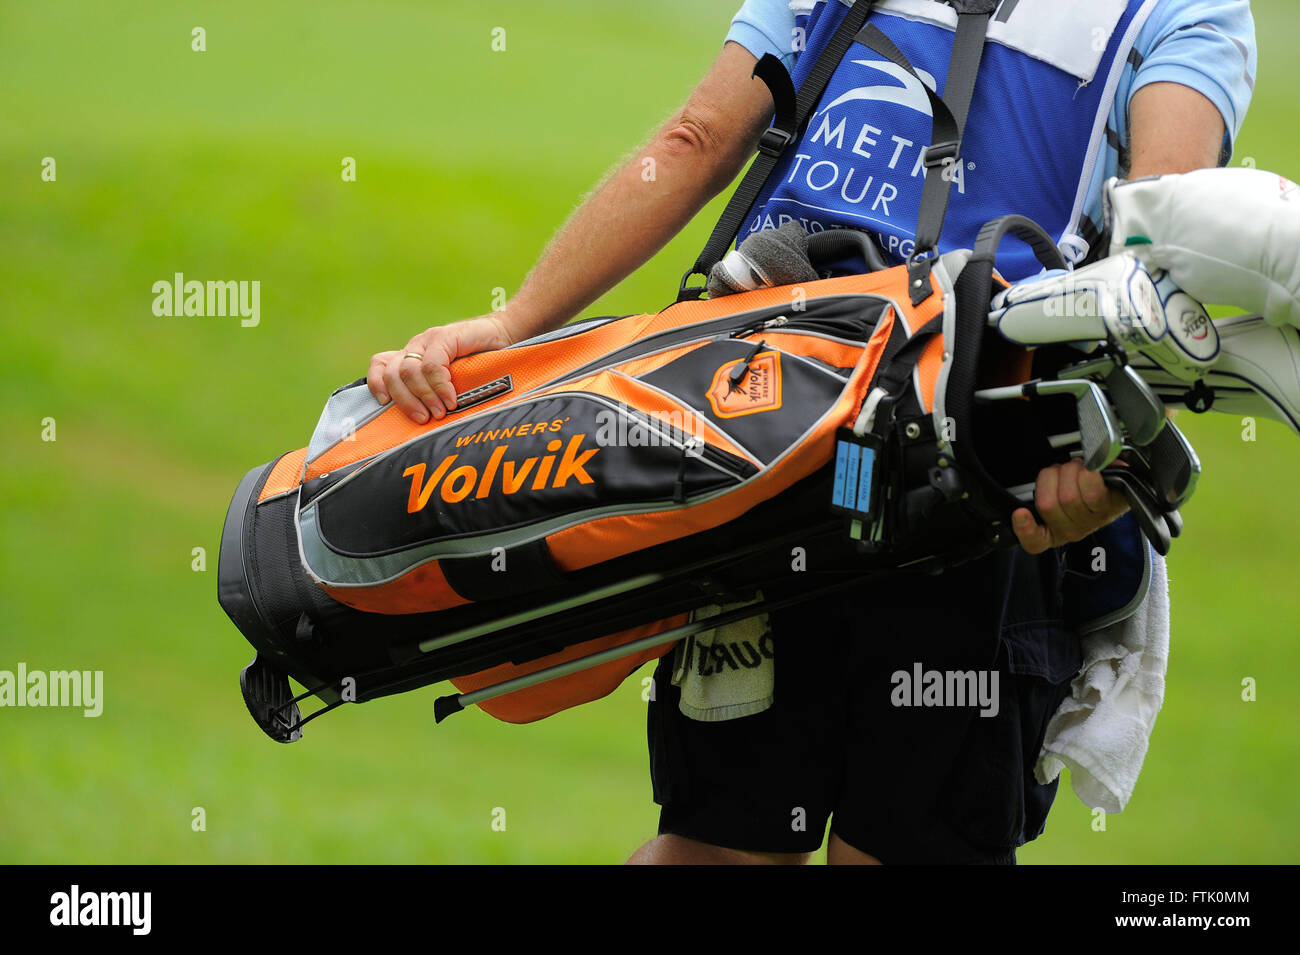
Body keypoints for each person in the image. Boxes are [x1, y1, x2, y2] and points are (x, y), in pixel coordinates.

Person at [367, 0, 1256, 864]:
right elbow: (1162, 245)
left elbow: (695, 139)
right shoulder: (1185, 11)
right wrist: (1110, 469)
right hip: (978, 473)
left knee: (721, 846)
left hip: (758, 442)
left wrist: (515, 323)